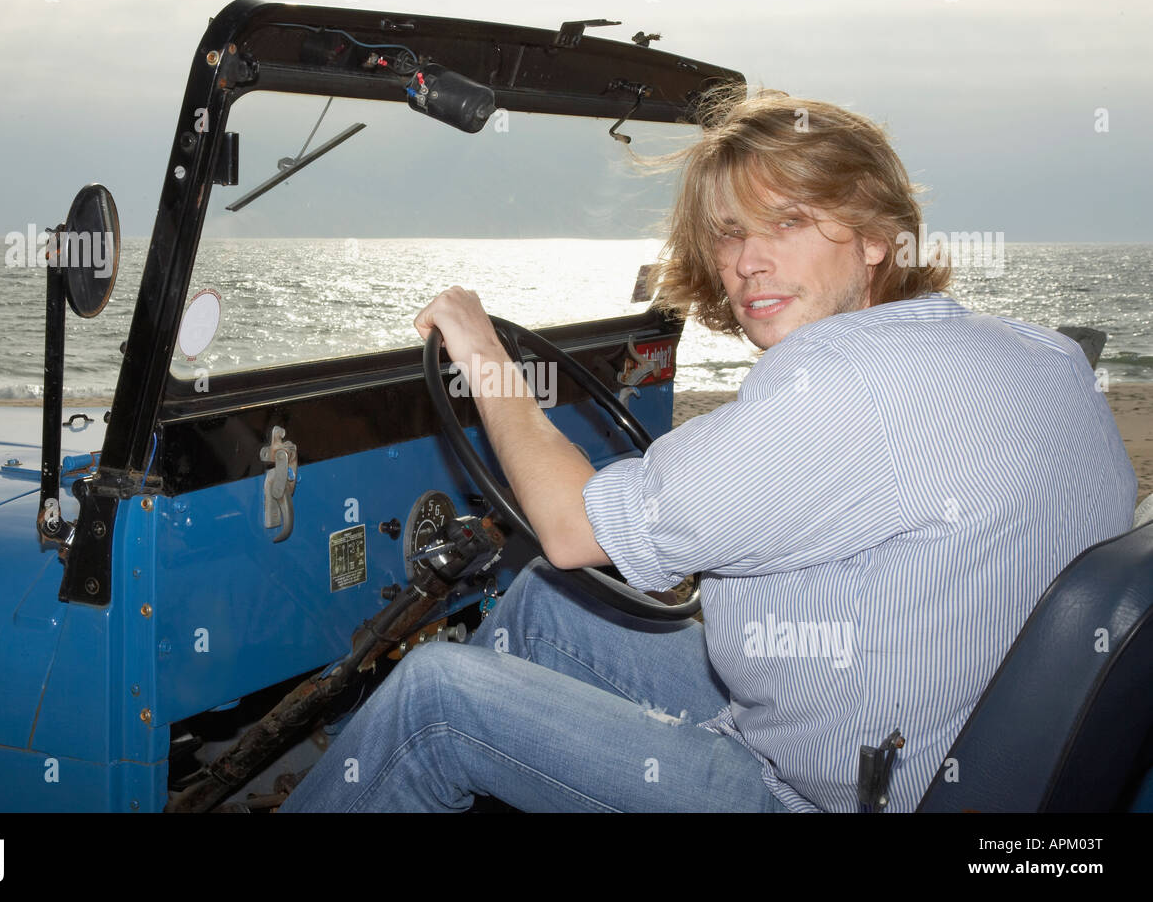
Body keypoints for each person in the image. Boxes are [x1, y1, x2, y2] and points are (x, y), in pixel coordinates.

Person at [279, 89, 1137, 812]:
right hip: (935, 731)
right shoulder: (1039, 352)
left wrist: (485, 357)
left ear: (876, 236)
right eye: (728, 234)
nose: (748, 264)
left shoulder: (838, 382)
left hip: (831, 791)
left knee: (436, 697)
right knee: (546, 600)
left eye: (789, 220)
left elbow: (575, 526)